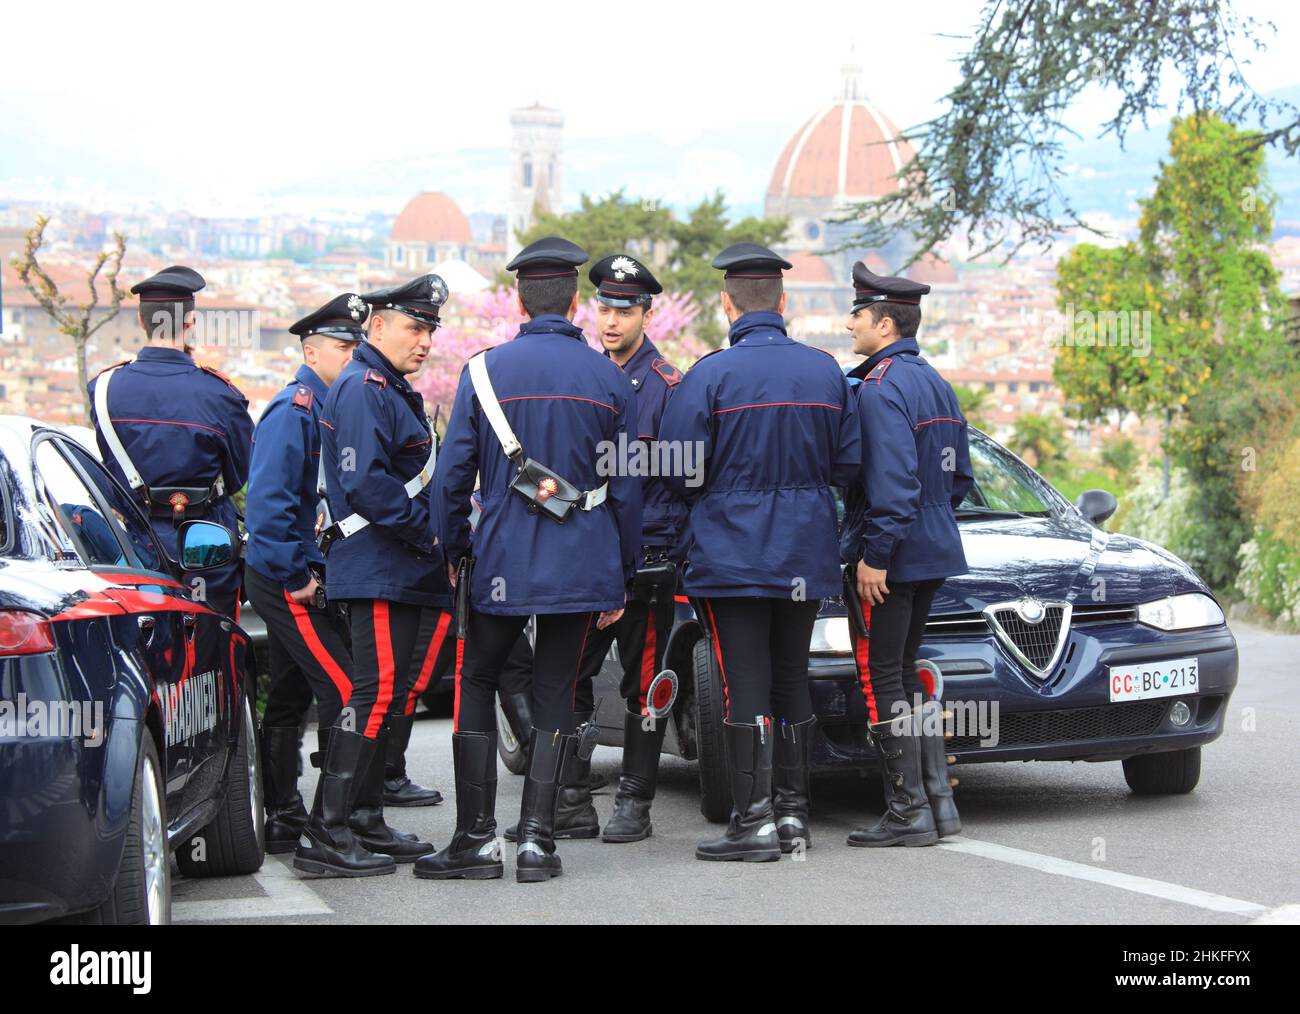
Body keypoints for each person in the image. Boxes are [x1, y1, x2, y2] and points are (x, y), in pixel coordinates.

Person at [420, 237, 641, 883]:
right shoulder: (610, 379)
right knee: (554, 693)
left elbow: (452, 478)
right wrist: (620, 577)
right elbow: (627, 487)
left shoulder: (484, 371)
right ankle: (540, 843)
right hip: (583, 563)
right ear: (576, 300)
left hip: (502, 560)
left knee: (479, 681)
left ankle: (477, 840)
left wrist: (455, 551)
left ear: (520, 296)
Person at [658, 243, 862, 862]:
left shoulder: (710, 374)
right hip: (805, 551)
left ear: (727, 303)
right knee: (790, 678)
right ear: (784, 301)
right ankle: (795, 815)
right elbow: (849, 463)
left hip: (731, 555)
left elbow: (676, 469)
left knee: (743, 683)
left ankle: (754, 821)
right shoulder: (827, 370)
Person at [295, 275, 453, 877]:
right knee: (375, 694)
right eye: (414, 327)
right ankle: (326, 832)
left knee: (386, 696)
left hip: (400, 565)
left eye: (430, 330)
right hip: (381, 563)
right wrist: (428, 532)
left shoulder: (389, 387)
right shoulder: (364, 387)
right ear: (377, 326)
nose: (424, 341)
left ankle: (361, 818)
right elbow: (366, 484)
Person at [554, 253, 686, 844]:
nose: (611, 320)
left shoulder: (667, 389)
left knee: (645, 681)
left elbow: (685, 482)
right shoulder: (583, 378)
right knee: (570, 674)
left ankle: (635, 801)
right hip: (586, 559)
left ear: (645, 313)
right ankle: (573, 798)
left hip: (647, 563)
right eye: (604, 307)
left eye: (624, 309)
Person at [840, 263, 972, 848]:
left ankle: (907, 811)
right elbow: (959, 478)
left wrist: (876, 554)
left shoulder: (880, 387)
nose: (850, 324)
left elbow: (892, 487)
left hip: (892, 558)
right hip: (936, 549)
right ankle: (937, 806)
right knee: (907, 673)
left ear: (885, 323)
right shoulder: (935, 382)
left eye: (858, 315)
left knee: (881, 677)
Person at [244, 293, 365, 854]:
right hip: (285, 577)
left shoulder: (322, 406)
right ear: (311, 351)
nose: (353, 355)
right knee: (343, 690)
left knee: (290, 696)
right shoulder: (294, 410)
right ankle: (329, 828)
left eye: (357, 345)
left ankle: (285, 817)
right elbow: (267, 509)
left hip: (296, 571)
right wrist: (297, 578)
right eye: (343, 347)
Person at [88, 265, 252, 620]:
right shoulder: (220, 395)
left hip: (134, 549)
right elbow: (238, 476)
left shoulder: (103, 389)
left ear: (141, 320)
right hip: (207, 552)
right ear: (190, 321)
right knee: (211, 660)